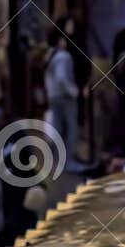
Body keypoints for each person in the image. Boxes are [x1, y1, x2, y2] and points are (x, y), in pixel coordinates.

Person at [44, 28, 81, 168]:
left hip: (53, 96)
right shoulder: (63, 56)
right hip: (65, 97)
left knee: (57, 127)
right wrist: (74, 91)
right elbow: (61, 78)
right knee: (71, 128)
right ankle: (69, 161)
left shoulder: (49, 56)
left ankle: (56, 159)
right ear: (60, 41)